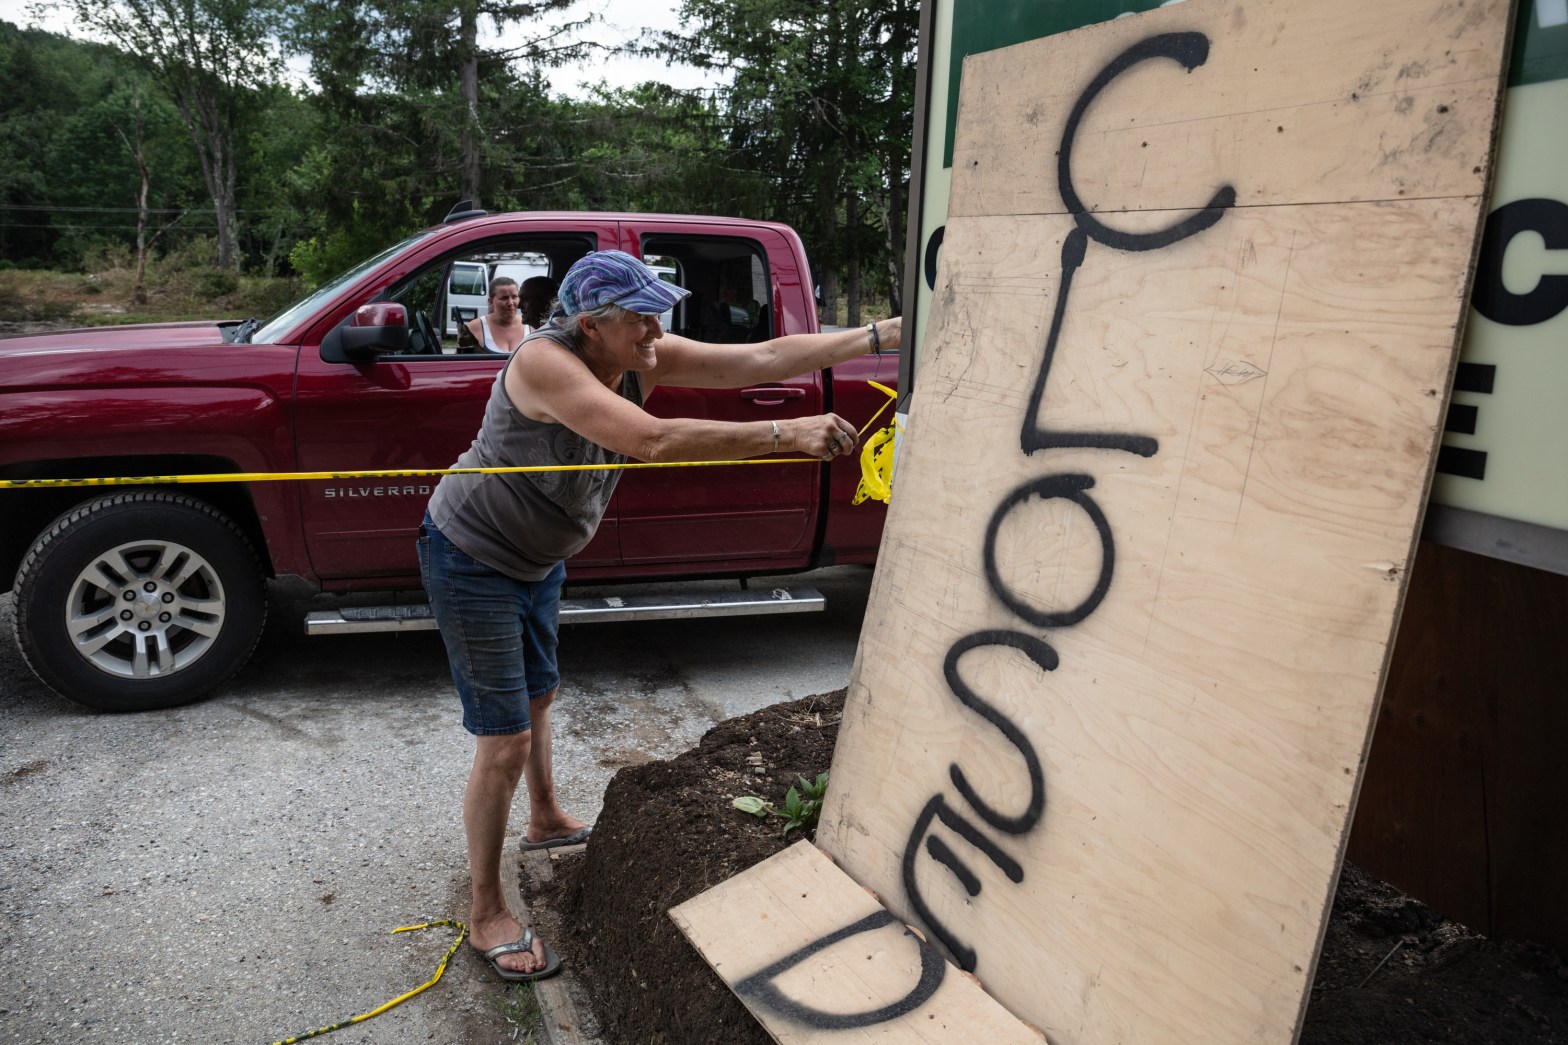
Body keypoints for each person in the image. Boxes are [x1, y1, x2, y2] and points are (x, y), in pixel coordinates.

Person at [417, 249, 901, 982]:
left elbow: (763, 356)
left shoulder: (636, 352)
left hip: (537, 558)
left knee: (540, 691)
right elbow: (650, 439)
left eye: (656, 310)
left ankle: (545, 815)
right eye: (640, 315)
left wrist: (876, 336)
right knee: (504, 737)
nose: (656, 326)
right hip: (472, 555)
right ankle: (487, 909)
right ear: (591, 324)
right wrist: (785, 435)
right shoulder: (546, 365)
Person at [464, 276, 527, 353]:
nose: (511, 303)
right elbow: (460, 361)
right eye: (504, 298)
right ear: (490, 301)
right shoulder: (474, 328)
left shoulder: (530, 326)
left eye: (514, 297)